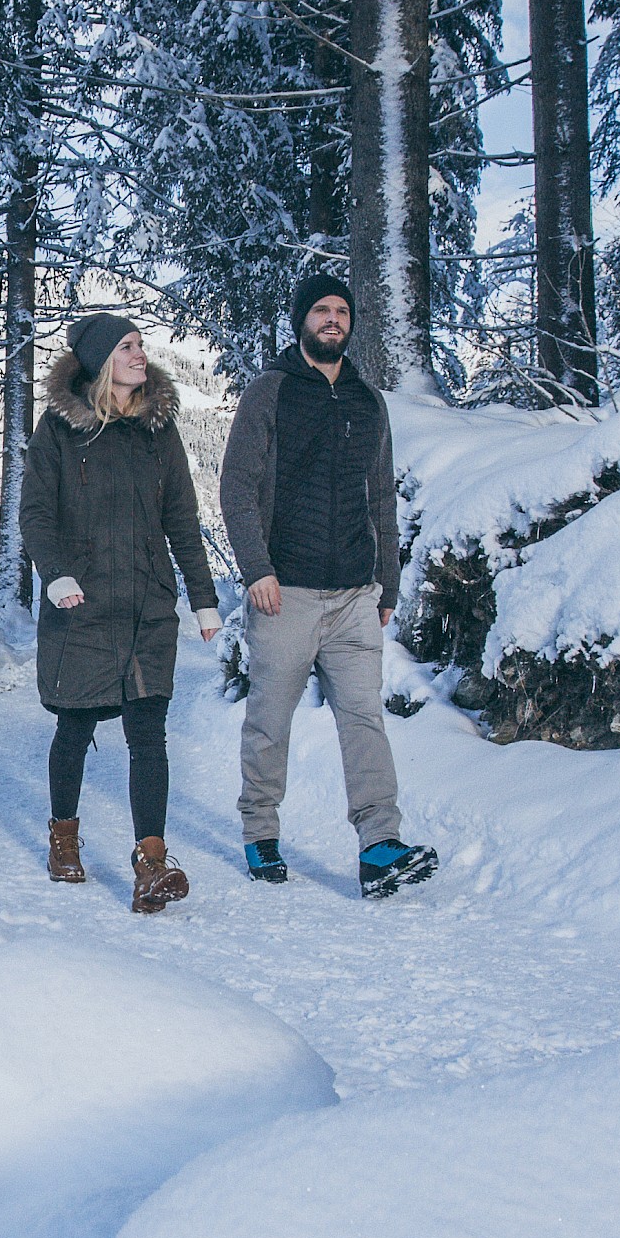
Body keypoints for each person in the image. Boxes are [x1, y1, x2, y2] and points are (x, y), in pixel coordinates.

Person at [218, 270, 438, 898]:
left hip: (354, 596)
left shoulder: (370, 402)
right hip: (285, 592)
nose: (333, 319)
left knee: (364, 719)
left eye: (342, 310)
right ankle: (261, 833)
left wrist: (387, 586)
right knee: (270, 719)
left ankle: (379, 846)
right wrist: (257, 569)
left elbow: (382, 499)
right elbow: (237, 487)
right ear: (302, 320)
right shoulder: (272, 392)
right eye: (322, 310)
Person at [19, 312, 222, 913]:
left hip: (146, 604)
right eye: (128, 347)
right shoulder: (58, 430)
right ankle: (64, 835)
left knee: (148, 735)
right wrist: (54, 576)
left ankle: (151, 864)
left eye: (141, 345)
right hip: (81, 604)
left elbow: (183, 521)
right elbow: (36, 514)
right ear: (103, 360)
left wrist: (204, 600)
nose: (141, 354)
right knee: (76, 727)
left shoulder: (159, 430)